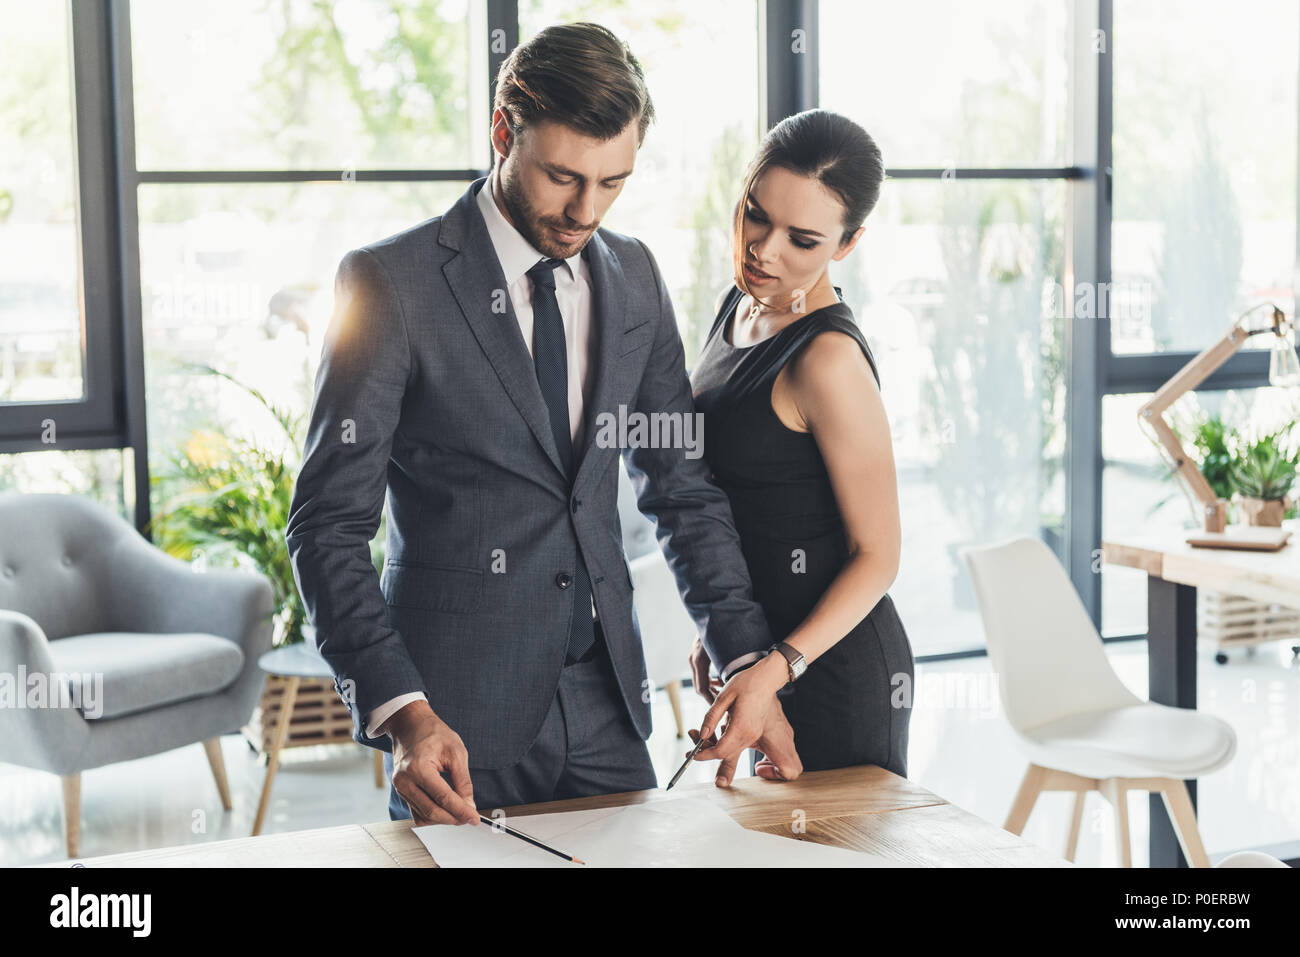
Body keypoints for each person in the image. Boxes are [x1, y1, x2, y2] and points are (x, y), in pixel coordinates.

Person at [285, 22, 801, 827]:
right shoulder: (389, 283)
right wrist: (403, 711)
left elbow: (682, 489)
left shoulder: (633, 277)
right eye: (563, 176)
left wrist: (745, 658)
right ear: (503, 132)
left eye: (612, 183)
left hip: (609, 708)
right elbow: (326, 528)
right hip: (451, 725)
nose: (584, 210)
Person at [687, 109, 915, 779]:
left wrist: (778, 662)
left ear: (847, 244)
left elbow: (879, 556)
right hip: (758, 661)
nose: (765, 250)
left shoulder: (827, 360)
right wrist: (726, 636)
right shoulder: (741, 305)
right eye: (756, 214)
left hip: (834, 671)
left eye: (803, 239)